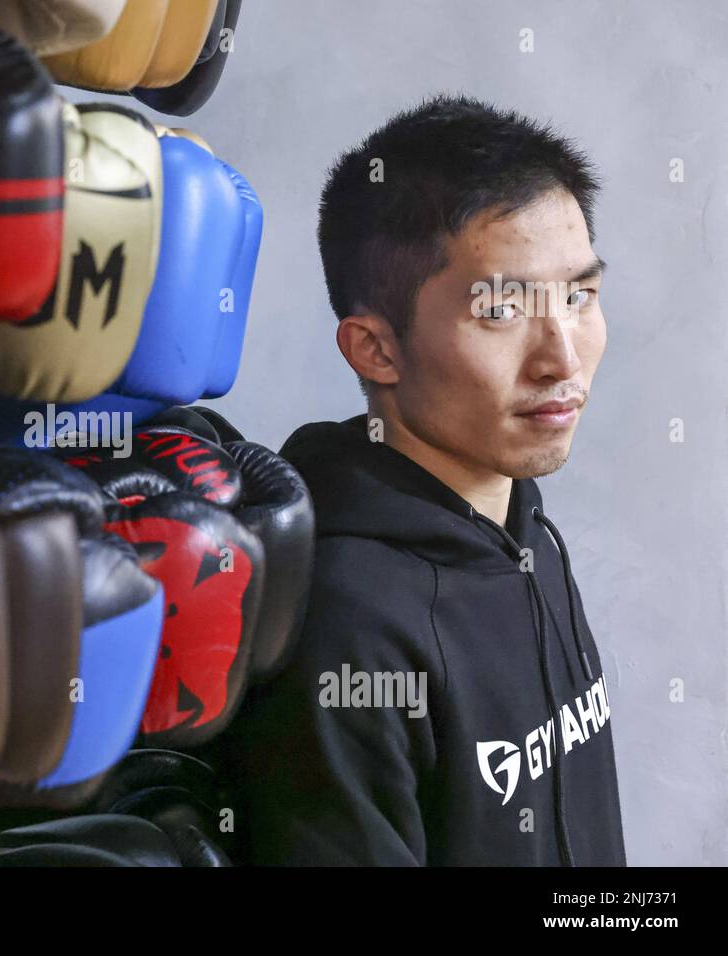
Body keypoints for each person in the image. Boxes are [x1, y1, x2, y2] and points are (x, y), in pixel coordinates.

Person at [206, 93, 626, 865]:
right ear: (375, 349)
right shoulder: (342, 624)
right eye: (501, 309)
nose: (562, 358)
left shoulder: (526, 532)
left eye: (579, 295)